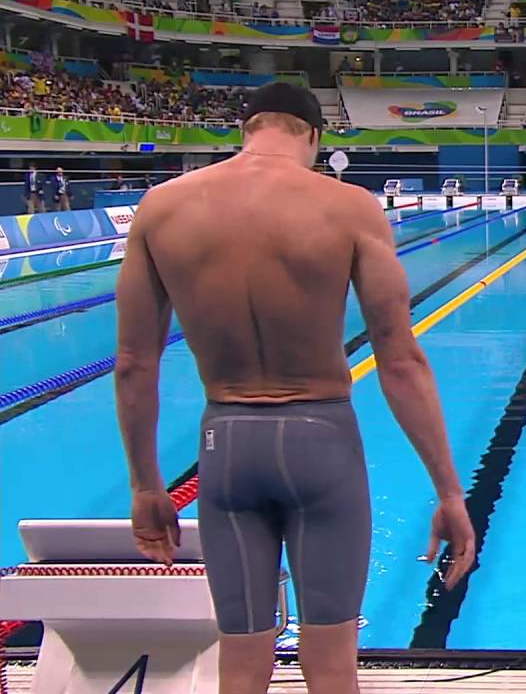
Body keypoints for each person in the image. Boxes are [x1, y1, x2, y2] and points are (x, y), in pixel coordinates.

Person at [115, 83, 477, 694]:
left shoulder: (161, 207)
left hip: (224, 447)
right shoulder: (349, 208)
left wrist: (148, 487)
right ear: (314, 136)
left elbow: (132, 364)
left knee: (241, 662)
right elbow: (401, 359)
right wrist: (448, 491)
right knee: (332, 664)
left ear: (247, 128)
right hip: (321, 440)